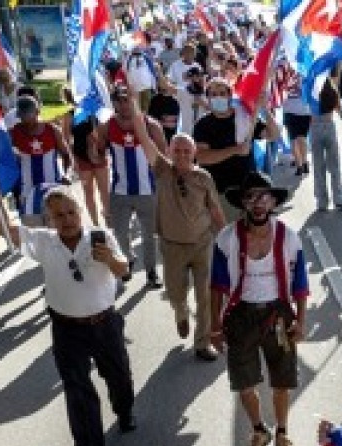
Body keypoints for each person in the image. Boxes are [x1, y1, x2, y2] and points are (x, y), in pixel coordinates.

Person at [0, 179, 135, 446]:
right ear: (49, 219)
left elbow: (124, 270)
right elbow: (5, 230)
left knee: (118, 375)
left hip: (104, 322)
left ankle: (124, 409)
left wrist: (111, 259)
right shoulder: (43, 241)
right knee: (77, 391)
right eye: (58, 215)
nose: (66, 220)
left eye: (70, 213)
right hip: (67, 328)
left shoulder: (101, 237)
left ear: (80, 212)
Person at [209, 172, 309, 446]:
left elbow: (301, 284)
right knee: (244, 382)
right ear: (242, 203)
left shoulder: (289, 237)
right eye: (250, 196)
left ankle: (282, 433)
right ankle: (258, 431)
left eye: (264, 196)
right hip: (240, 316)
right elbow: (217, 285)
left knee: (283, 379)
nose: (258, 203)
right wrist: (214, 325)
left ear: (273, 201)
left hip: (278, 315)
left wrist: (300, 322)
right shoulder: (226, 238)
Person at [127, 98, 227, 361]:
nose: (182, 154)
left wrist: (228, 238)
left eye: (187, 151)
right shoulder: (163, 170)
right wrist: (135, 107)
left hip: (202, 243)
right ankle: (181, 312)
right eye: (177, 150)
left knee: (205, 296)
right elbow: (145, 139)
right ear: (170, 152)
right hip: (172, 245)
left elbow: (215, 210)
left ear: (194, 154)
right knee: (175, 292)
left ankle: (202, 343)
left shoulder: (204, 178)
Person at [98, 84, 168, 288]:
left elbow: (163, 158)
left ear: (135, 99)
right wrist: (93, 147)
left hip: (148, 190)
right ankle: (126, 261)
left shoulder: (151, 125)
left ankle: (151, 272)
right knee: (119, 233)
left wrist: (164, 187)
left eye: (127, 98)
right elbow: (99, 155)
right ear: (114, 103)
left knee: (149, 234)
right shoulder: (106, 126)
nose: (124, 103)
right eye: (119, 100)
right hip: (120, 190)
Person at [193, 77, 281, 223]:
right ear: (207, 97)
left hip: (248, 191)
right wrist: (235, 150)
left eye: (222, 93)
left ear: (229, 95)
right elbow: (202, 157)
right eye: (213, 94)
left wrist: (264, 109)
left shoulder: (244, 118)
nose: (218, 97)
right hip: (220, 193)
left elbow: (273, 135)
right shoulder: (203, 124)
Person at [10, 96, 73, 227]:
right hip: (27, 193)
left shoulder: (52, 130)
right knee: (33, 236)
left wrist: (67, 175)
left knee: (57, 232)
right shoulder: (14, 132)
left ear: (37, 112)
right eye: (22, 116)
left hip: (53, 190)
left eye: (28, 115)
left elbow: (67, 156)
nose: (25, 119)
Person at [59, 86, 111, 227]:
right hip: (81, 156)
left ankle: (108, 219)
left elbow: (105, 132)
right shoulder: (70, 115)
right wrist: (72, 159)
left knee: (104, 191)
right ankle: (95, 224)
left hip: (99, 156)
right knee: (88, 192)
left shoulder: (96, 111)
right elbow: (65, 138)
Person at [308, 77, 342, 212]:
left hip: (315, 126)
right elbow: (340, 112)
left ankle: (321, 201)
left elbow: (306, 108)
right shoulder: (331, 91)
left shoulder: (310, 91)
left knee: (318, 166)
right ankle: (339, 198)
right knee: (334, 165)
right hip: (329, 125)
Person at [281, 81, 313, 177]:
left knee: (298, 139)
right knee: (297, 140)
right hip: (293, 111)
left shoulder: (304, 70)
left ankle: (302, 164)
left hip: (301, 111)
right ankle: (302, 164)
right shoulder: (284, 71)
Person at [148, 75, 183, 144]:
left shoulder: (176, 100)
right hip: (157, 137)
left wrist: (167, 120)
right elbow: (151, 119)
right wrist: (166, 121)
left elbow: (175, 122)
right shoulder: (155, 100)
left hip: (172, 138)